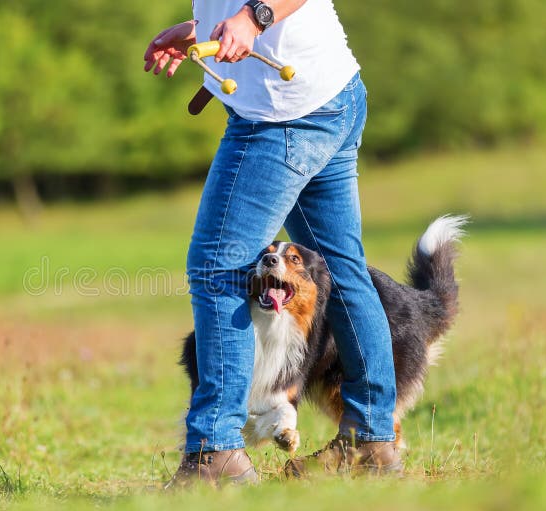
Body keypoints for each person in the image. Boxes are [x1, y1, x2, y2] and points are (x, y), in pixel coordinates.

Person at [144, 0, 402, 486]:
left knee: (219, 268)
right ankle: (372, 440)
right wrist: (200, 28)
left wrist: (253, 18)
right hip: (326, 93)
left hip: (284, 115)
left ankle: (216, 452)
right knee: (343, 272)